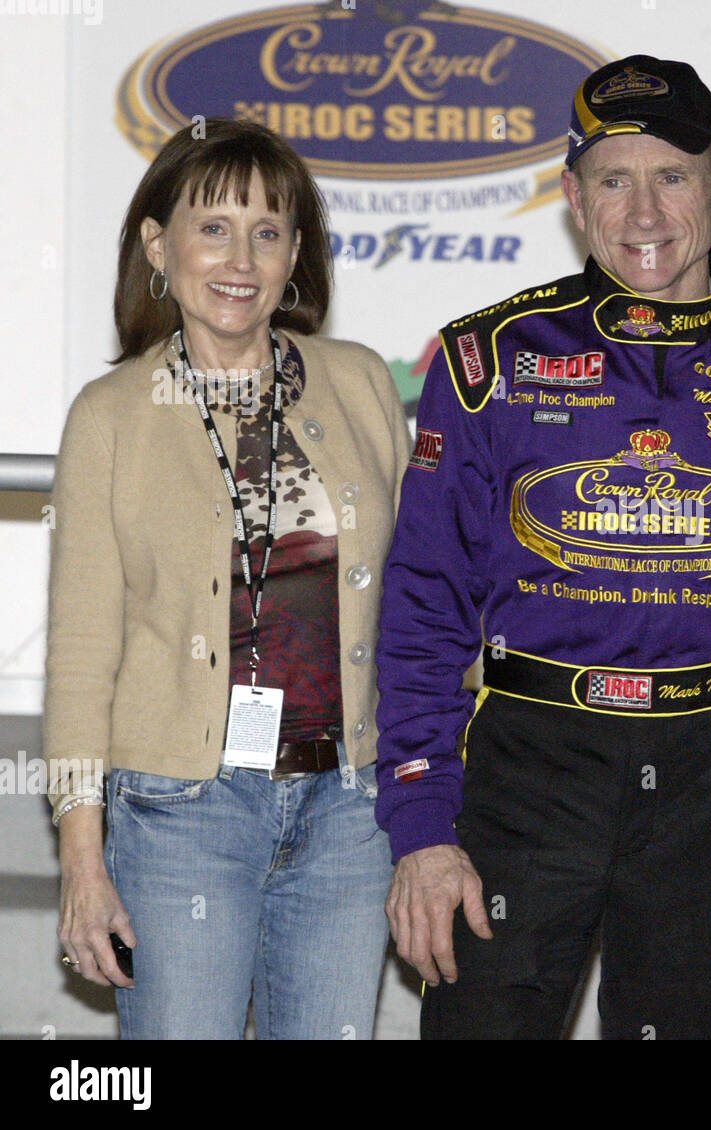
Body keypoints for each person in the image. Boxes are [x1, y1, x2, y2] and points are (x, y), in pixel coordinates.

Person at [376, 55, 711, 1039]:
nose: (643, 213)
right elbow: (423, 609)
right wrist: (422, 828)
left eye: (672, 175)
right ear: (571, 197)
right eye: (613, 179)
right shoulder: (486, 362)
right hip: (525, 758)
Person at [46, 119, 411, 1039]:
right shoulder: (111, 416)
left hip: (348, 814)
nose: (240, 257)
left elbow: (420, 602)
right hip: (181, 815)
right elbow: (84, 654)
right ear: (158, 246)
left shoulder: (361, 382)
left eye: (269, 230)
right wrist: (84, 866)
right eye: (213, 228)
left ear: (298, 256)